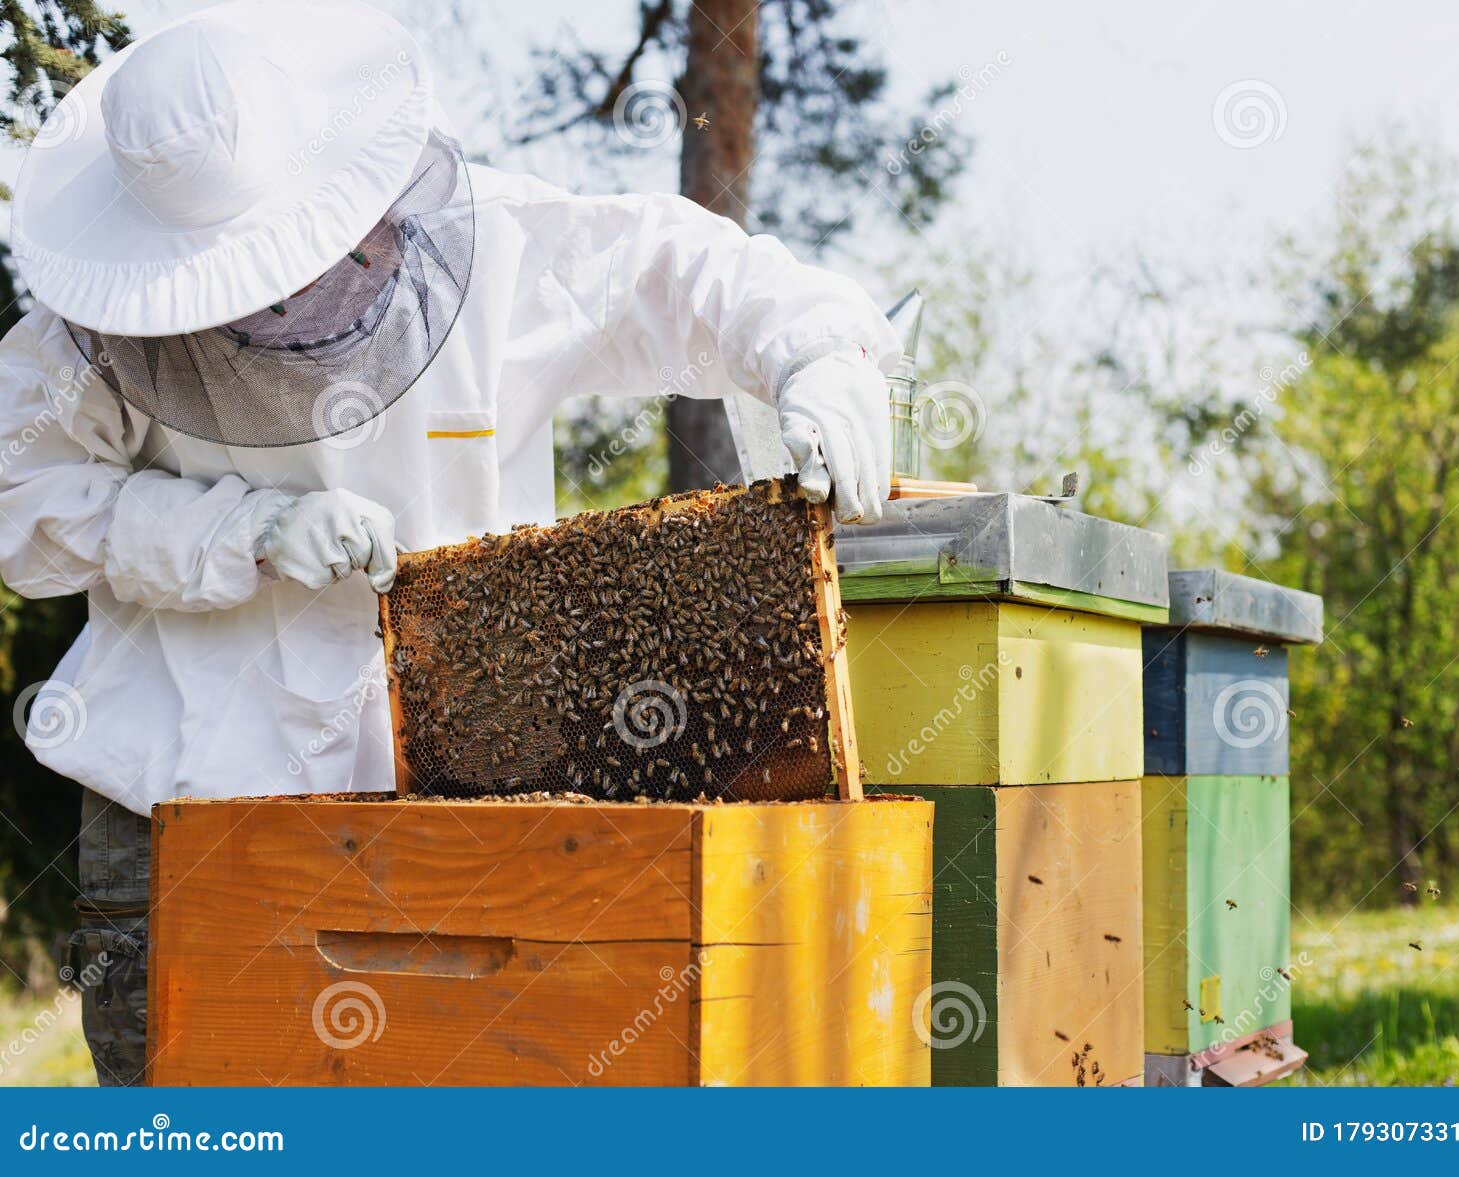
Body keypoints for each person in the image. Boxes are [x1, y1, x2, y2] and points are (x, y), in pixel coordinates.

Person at [0, 0, 897, 1086]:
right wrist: (238, 528)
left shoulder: (507, 253)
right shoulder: (102, 327)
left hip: (460, 800)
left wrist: (824, 354)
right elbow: (21, 501)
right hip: (173, 802)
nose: (275, 305)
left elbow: (687, 270)